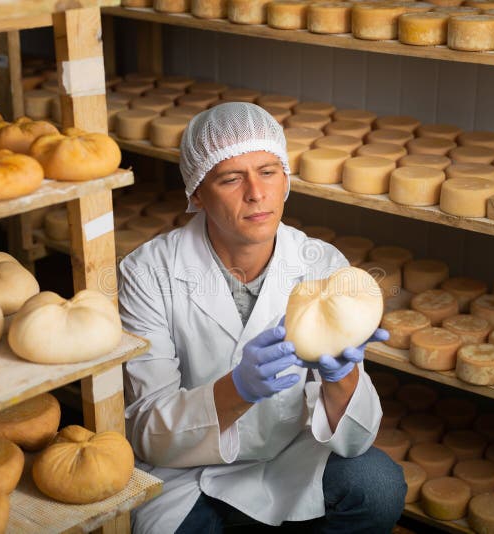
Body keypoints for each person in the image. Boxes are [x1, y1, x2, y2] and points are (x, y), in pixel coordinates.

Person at [119, 102, 406, 533]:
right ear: (196, 193)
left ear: (285, 179)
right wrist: (237, 390)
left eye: (268, 172)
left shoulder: (322, 264)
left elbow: (355, 442)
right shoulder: (148, 272)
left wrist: (342, 379)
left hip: (288, 459)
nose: (256, 193)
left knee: (378, 487)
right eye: (231, 178)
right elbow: (146, 431)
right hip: (188, 471)